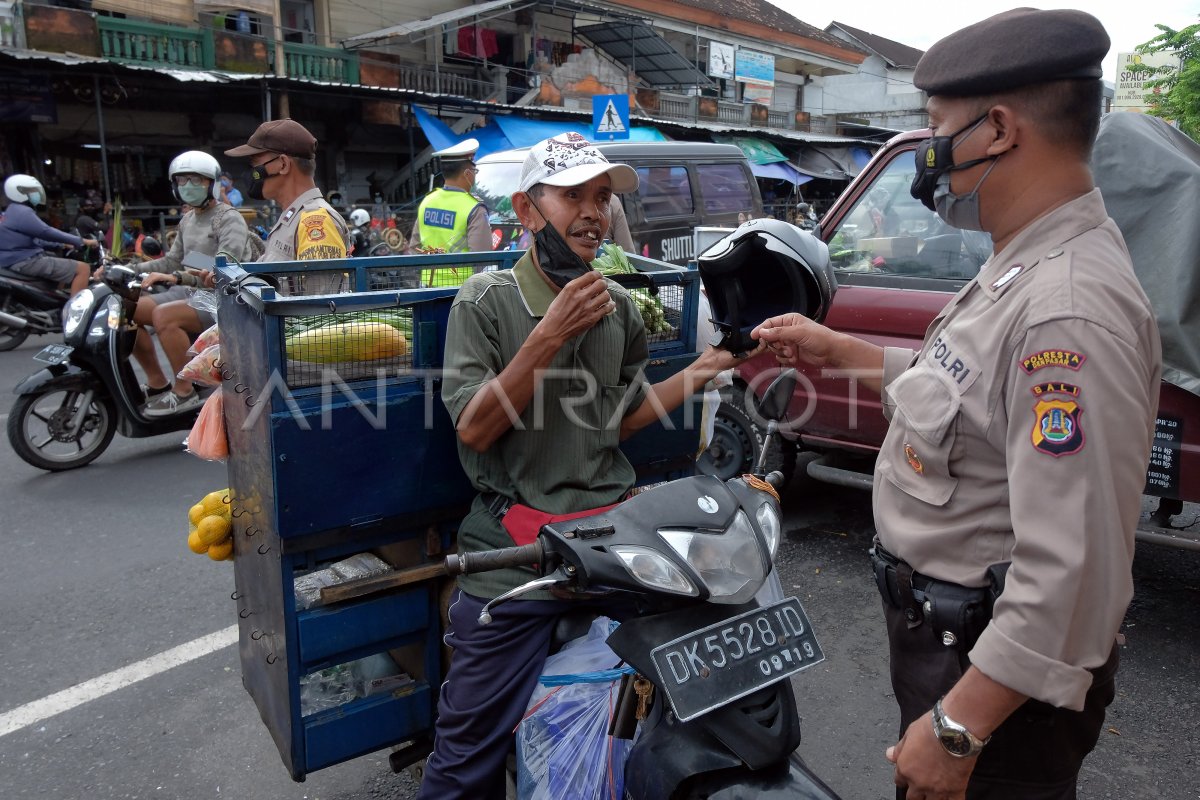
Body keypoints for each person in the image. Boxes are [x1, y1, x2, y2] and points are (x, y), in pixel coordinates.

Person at [753, 10, 1161, 799]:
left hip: (991, 686)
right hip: (953, 649)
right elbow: (972, 402)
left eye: (937, 127)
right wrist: (845, 353)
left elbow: (1071, 571)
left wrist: (958, 728)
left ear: (998, 129)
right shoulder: (1024, 260)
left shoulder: (1064, 308)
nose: (930, 151)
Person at [423, 132, 754, 799]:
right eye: (572, 195)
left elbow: (620, 420)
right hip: (514, 558)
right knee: (464, 757)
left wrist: (706, 367)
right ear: (526, 210)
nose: (593, 213)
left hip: (612, 543)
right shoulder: (485, 304)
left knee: (703, 696)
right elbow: (476, 427)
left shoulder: (620, 310)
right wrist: (548, 337)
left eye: (602, 198)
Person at [132, 150, 256, 416]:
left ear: (211, 183)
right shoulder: (188, 219)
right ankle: (157, 383)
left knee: (163, 315)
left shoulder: (228, 219)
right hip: (189, 291)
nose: (188, 186)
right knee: (126, 310)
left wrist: (177, 277)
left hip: (223, 299)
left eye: (196, 180)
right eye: (182, 181)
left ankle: (184, 391)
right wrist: (130, 269)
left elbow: (224, 271)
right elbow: (172, 261)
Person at [224, 118, 349, 295]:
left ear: (282, 164)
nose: (251, 174)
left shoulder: (316, 221)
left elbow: (319, 308)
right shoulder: (291, 217)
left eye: (255, 165)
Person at [407, 138, 492, 287]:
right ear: (467, 174)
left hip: (427, 287)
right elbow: (482, 259)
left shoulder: (427, 201)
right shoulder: (474, 208)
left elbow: (414, 248)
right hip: (461, 292)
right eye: (474, 171)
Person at [0, 174, 96, 295]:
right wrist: (81, 241)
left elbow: (36, 239)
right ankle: (76, 312)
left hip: (14, 260)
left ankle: (55, 303)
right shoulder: (22, 212)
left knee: (60, 267)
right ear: (19, 192)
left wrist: (62, 245)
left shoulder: (11, 211)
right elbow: (45, 232)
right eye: (32, 191)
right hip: (23, 260)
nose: (36, 194)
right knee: (83, 268)